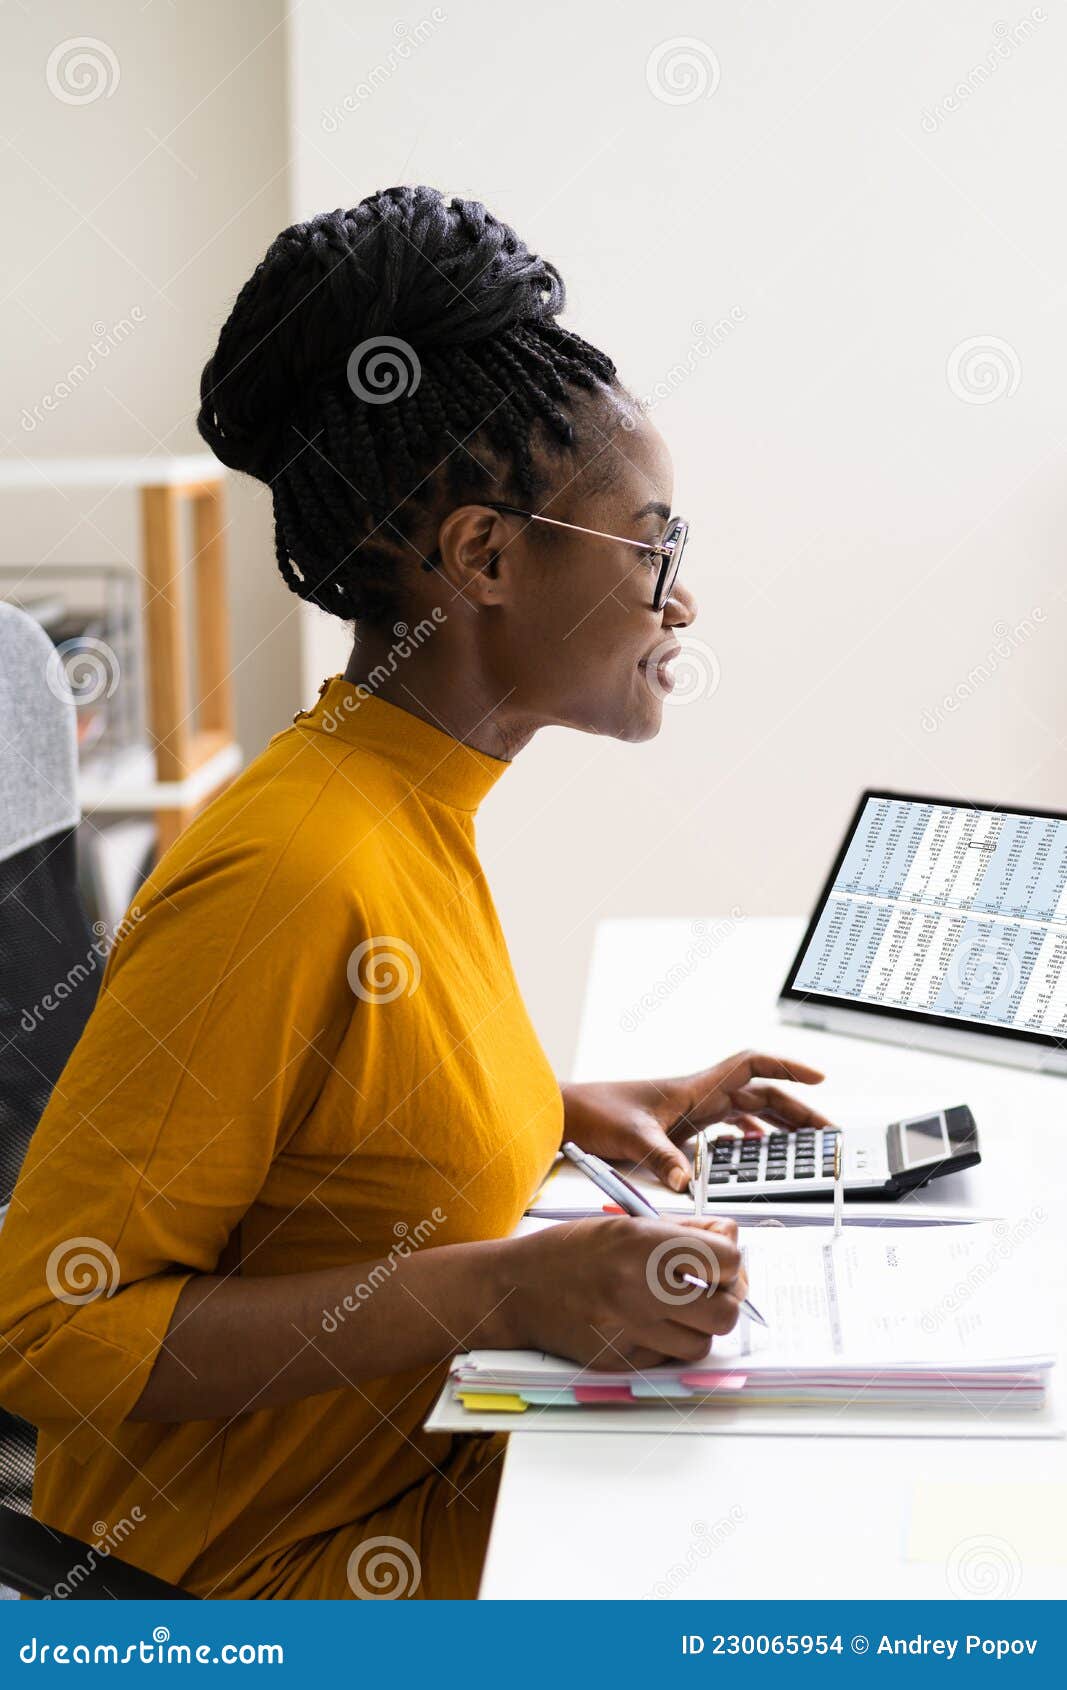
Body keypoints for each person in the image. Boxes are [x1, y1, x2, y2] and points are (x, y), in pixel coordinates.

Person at [0, 186, 828, 1600]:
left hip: (414, 1487)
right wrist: (503, 1287)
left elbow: (336, 1131)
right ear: (485, 557)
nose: (679, 601)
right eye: (652, 548)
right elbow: (45, 1331)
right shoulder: (295, 866)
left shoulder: (409, 803)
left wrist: (563, 1108)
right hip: (247, 1591)